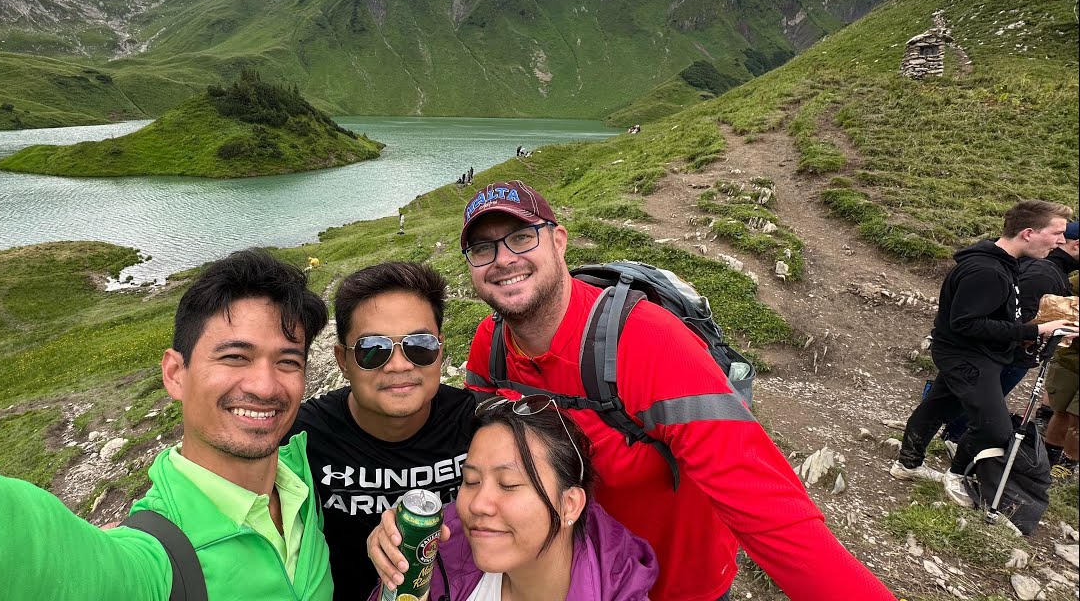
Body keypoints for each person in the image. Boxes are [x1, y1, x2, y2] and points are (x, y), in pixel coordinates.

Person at [0, 0, 337, 594]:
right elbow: (7, 551)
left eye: (287, 362)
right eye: (234, 356)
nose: (265, 386)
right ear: (174, 374)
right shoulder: (153, 563)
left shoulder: (300, 476)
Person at [374, 180, 894, 600]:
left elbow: (773, 513)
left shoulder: (647, 345)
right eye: (482, 248)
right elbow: (491, 471)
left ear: (559, 241)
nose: (503, 258)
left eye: (521, 237)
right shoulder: (490, 346)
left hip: (675, 584)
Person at [286, 261, 476, 601]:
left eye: (421, 346)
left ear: (441, 350)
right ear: (343, 360)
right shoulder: (301, 437)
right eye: (373, 350)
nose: (400, 365)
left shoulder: (476, 424)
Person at [368, 393, 658, 601]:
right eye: (471, 481)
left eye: (508, 484)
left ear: (570, 505)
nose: (478, 504)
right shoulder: (441, 548)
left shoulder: (618, 590)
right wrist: (395, 566)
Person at [893, 200, 1078, 507]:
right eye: (1057, 233)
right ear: (1029, 233)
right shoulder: (987, 270)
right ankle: (957, 477)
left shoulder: (1003, 262)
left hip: (973, 354)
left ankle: (907, 464)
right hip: (968, 357)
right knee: (995, 428)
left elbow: (993, 316)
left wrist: (1040, 328)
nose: (1061, 241)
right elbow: (966, 323)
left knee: (937, 407)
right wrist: (1035, 332)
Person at [940, 217, 1080, 448]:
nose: (1057, 241)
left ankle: (950, 435)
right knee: (981, 406)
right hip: (1010, 352)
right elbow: (1020, 315)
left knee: (963, 399)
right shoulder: (1045, 274)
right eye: (1056, 235)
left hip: (997, 349)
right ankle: (955, 441)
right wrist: (1032, 339)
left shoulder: (1042, 266)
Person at [1044, 269, 1080, 476]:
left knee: (1077, 419)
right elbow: (1059, 297)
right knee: (1061, 412)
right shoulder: (1075, 282)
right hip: (1070, 359)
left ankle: (1065, 469)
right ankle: (1047, 463)